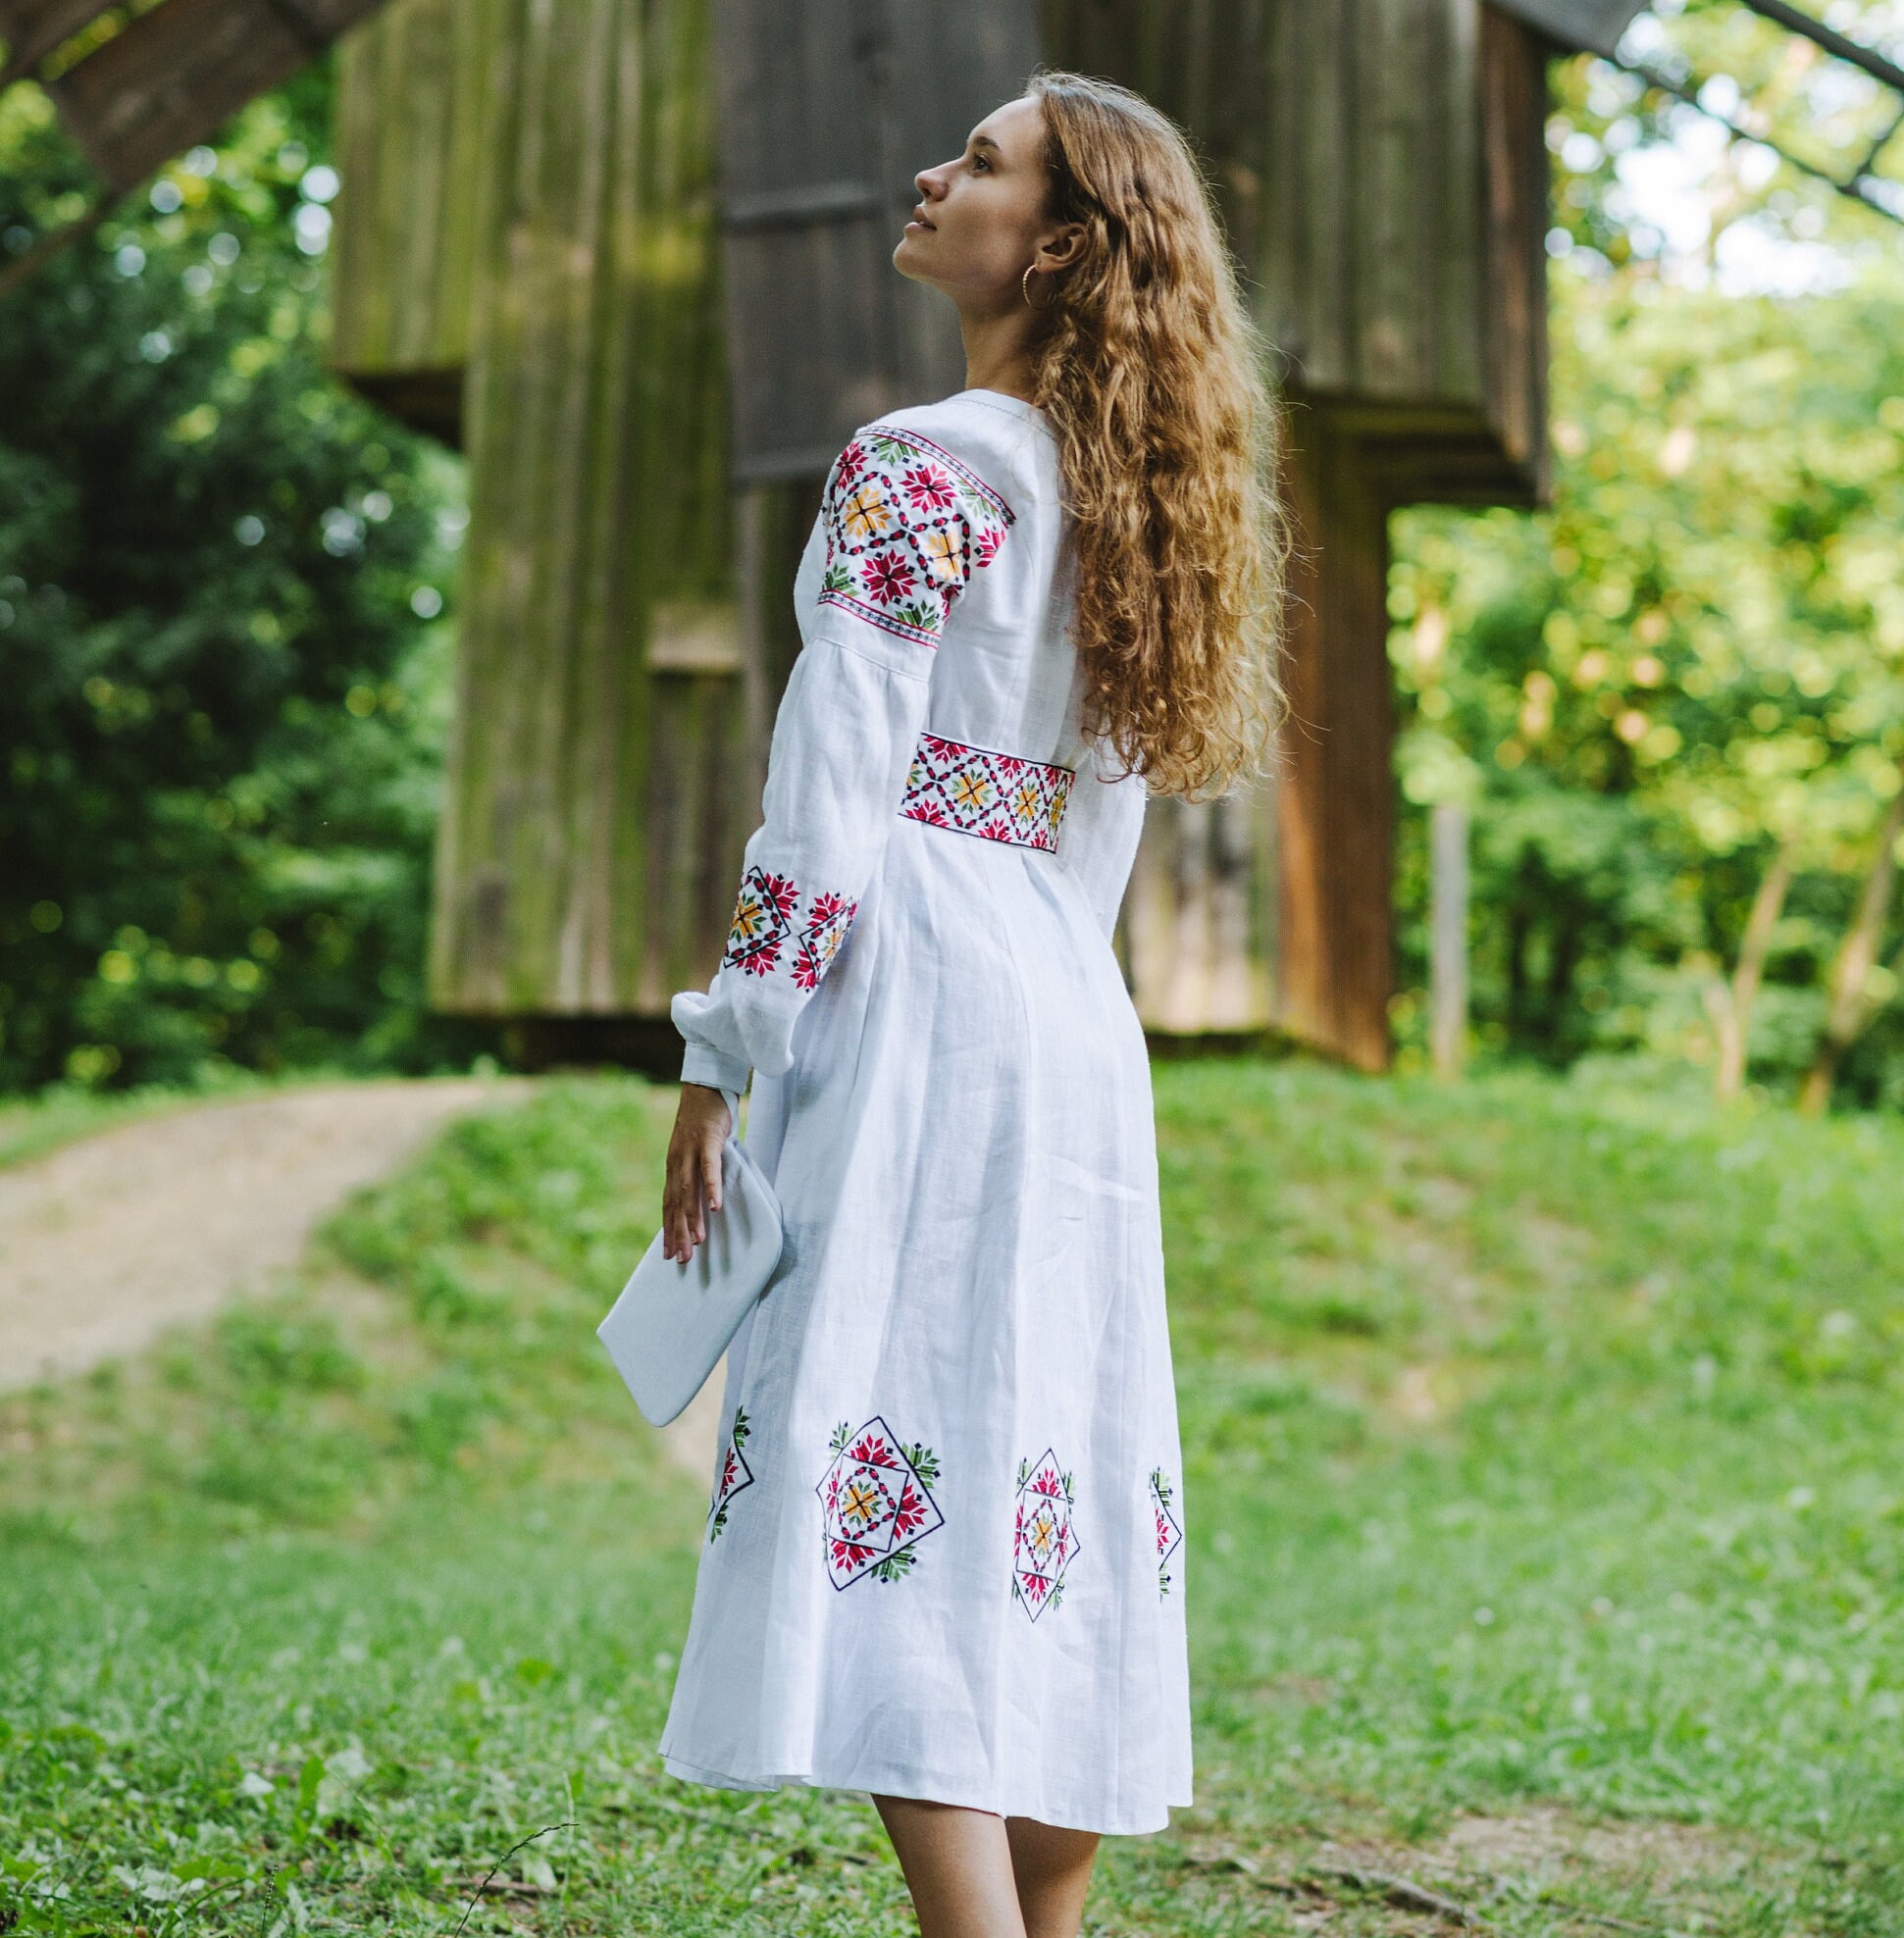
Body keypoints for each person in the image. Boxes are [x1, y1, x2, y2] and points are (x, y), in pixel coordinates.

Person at [656, 70, 1286, 1938]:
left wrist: (727, 1047)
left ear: (1062, 242)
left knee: (886, 1412)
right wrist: (1048, 997)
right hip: (1063, 1013)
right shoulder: (1143, 505)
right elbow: (1092, 825)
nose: (936, 172)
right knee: (1045, 1449)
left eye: (986, 161)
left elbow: (834, 784)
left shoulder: (917, 464)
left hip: (911, 989)